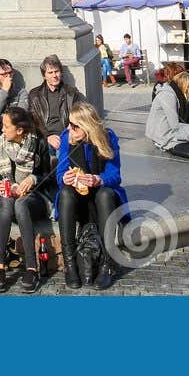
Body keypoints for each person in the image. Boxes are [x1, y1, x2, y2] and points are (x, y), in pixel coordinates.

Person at [54, 101, 127, 290]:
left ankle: (107, 264)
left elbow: (115, 175)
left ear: (87, 127)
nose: (69, 128)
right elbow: (60, 174)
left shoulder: (107, 137)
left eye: (75, 126)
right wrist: (66, 178)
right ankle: (70, 264)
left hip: (101, 193)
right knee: (65, 194)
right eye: (69, 123)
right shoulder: (66, 138)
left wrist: (98, 179)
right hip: (78, 195)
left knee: (105, 195)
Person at [0, 105, 53, 294]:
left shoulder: (38, 142)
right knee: (8, 202)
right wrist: (1, 185)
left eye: (6, 126)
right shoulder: (1, 145)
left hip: (36, 198)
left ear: (19, 130)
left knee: (21, 203)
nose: (2, 130)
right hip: (11, 199)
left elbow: (48, 177)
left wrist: (33, 179)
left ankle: (32, 267)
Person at [27, 55, 82, 150]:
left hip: (65, 134)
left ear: (61, 73)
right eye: (50, 72)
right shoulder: (35, 95)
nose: (54, 75)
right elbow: (33, 120)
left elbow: (79, 115)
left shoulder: (71, 93)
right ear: (44, 76)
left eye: (57, 71)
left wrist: (68, 133)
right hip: (44, 136)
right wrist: (47, 136)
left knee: (63, 149)